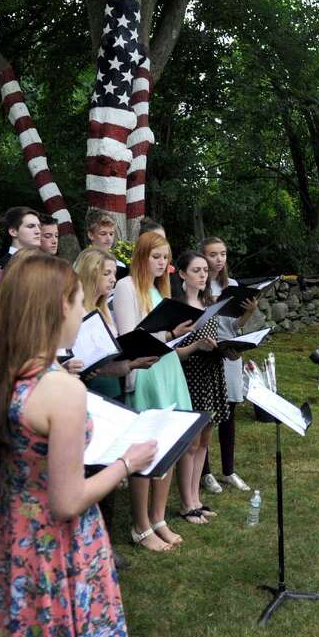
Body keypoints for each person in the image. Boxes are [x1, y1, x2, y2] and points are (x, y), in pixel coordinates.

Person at [0, 251, 157, 637]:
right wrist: (127, 462)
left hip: (13, 535)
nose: (84, 311)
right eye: (79, 301)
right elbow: (67, 500)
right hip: (60, 543)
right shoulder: (61, 389)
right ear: (58, 308)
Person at [112, 231, 197, 552]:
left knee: (171, 444)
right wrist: (169, 331)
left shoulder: (159, 289)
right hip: (146, 371)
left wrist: (176, 333)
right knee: (146, 447)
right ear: (141, 256)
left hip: (168, 368)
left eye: (165, 258)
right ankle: (140, 524)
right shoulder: (126, 286)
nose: (162, 264)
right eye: (155, 257)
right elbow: (127, 337)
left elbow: (164, 335)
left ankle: (159, 518)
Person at [171, 251, 232, 524]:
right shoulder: (175, 307)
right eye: (196, 270)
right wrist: (196, 346)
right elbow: (172, 352)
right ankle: (185, 503)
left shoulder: (210, 304)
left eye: (205, 271)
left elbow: (217, 338)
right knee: (191, 442)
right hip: (189, 376)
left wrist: (229, 350)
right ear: (182, 274)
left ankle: (195, 497)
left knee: (205, 440)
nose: (203, 275)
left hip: (210, 373)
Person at [199, 236, 256, 493]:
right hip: (208, 352)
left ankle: (229, 470)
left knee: (229, 411)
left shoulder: (231, 284)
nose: (219, 259)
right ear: (203, 256)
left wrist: (248, 313)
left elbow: (234, 326)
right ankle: (205, 472)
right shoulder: (199, 283)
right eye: (213, 254)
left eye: (222, 254)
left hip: (231, 352)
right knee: (208, 413)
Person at [72, 248, 157, 401]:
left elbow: (108, 364)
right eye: (106, 273)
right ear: (90, 273)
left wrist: (132, 364)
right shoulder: (74, 310)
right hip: (85, 390)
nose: (113, 279)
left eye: (114, 274)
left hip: (112, 387)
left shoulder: (105, 311)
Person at [0, 206, 40, 297]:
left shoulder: (43, 263)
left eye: (39, 226)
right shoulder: (1, 269)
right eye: (31, 226)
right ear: (13, 232)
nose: (38, 231)